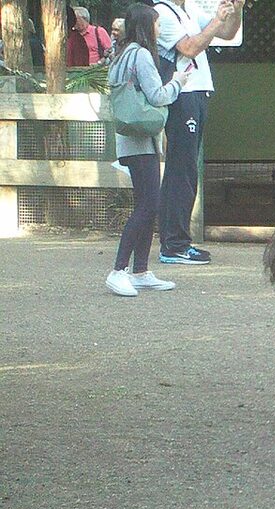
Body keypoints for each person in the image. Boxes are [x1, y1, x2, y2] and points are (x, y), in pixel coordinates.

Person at [105, 3, 191, 297]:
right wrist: (178, 82)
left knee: (147, 203)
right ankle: (119, 270)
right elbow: (157, 95)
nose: (159, 28)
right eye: (156, 24)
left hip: (129, 139)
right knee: (147, 205)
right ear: (145, 26)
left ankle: (140, 271)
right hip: (142, 140)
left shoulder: (121, 53)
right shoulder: (141, 55)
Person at [154, 0, 244, 265]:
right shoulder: (162, 12)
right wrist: (217, 19)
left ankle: (175, 242)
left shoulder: (190, 9)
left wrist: (236, 10)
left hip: (197, 93)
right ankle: (174, 245)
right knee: (182, 170)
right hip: (182, 94)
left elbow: (226, 32)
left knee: (183, 169)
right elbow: (189, 47)